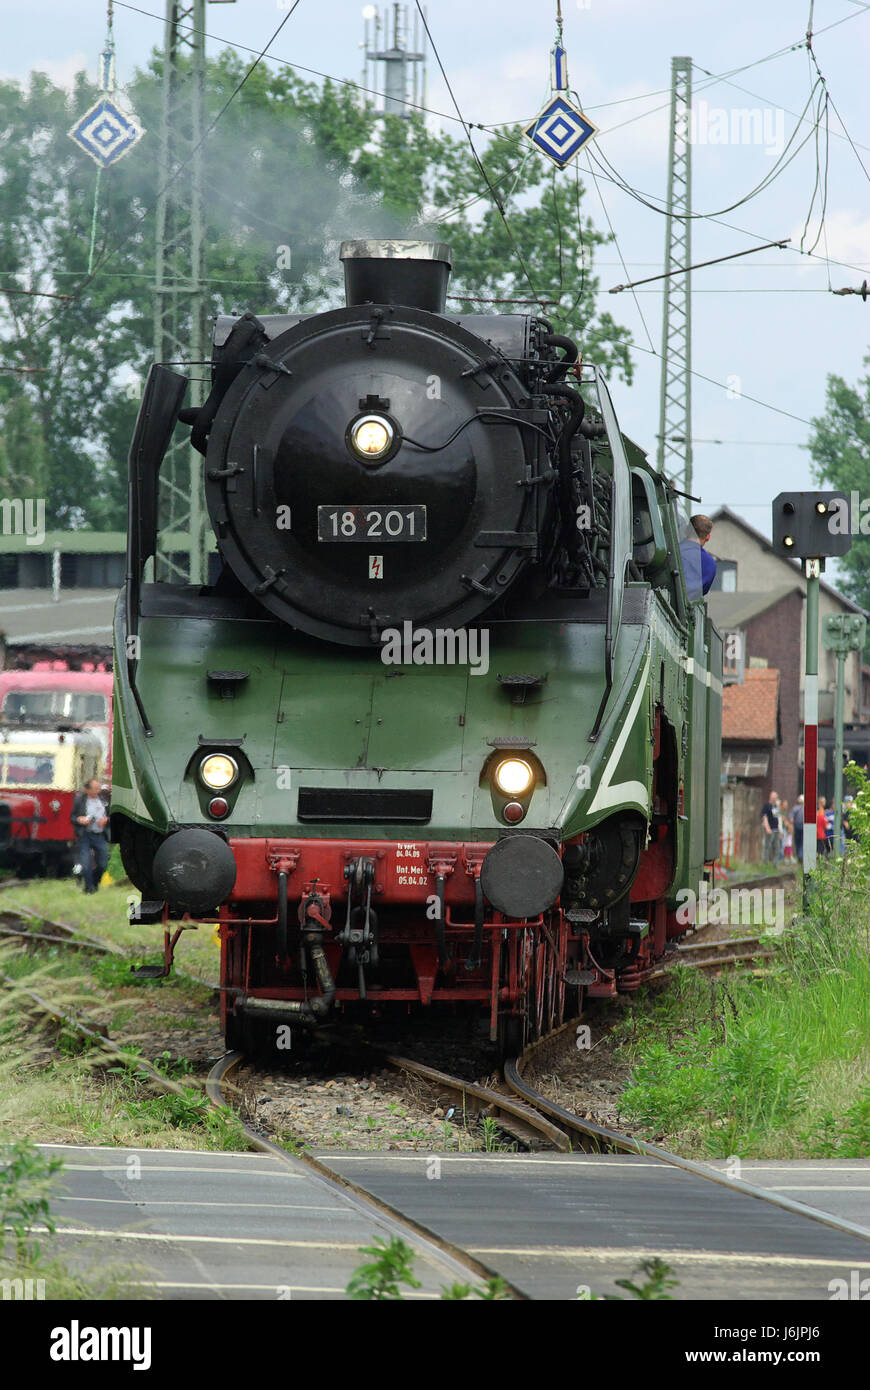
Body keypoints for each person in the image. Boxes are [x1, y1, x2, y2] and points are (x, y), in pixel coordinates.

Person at [71, 777, 110, 894]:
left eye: (99, 788)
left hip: (100, 835)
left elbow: (111, 814)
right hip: (85, 835)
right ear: (87, 790)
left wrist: (106, 819)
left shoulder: (104, 799)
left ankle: (94, 882)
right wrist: (80, 819)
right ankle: (89, 888)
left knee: (103, 864)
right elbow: (72, 817)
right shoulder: (80, 800)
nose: (98, 791)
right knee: (85, 864)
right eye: (95, 788)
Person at [679, 514, 718, 600]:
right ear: (708, 537)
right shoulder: (710, 563)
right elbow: (703, 591)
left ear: (686, 530)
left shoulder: (672, 552)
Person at [761, 791, 781, 862]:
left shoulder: (775, 807)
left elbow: (777, 818)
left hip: (776, 829)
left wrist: (779, 829)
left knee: (777, 847)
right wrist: (767, 828)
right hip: (770, 829)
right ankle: (766, 861)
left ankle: (775, 863)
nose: (776, 799)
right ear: (771, 797)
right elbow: (764, 817)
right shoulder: (767, 806)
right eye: (775, 797)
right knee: (768, 846)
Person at [789, 794, 804, 863]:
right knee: (802, 842)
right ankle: (801, 855)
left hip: (797, 827)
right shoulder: (805, 808)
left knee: (797, 842)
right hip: (803, 827)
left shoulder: (795, 808)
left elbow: (791, 819)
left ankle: (799, 855)